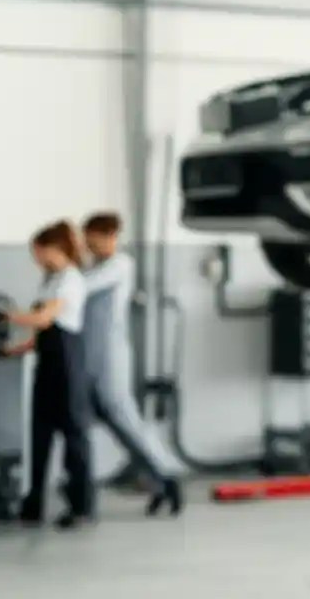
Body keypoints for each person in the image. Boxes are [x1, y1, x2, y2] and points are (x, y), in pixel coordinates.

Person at [82, 212, 184, 516]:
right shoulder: (93, 267)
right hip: (89, 353)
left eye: (93, 240)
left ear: (110, 236)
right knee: (114, 423)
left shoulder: (119, 264)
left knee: (124, 416)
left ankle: (167, 474)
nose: (90, 246)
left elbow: (82, 287)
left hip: (110, 354)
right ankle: (156, 481)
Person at [3, 220, 96, 529]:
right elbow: (42, 332)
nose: (36, 259)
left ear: (53, 249)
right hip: (47, 364)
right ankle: (33, 504)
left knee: (74, 438)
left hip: (68, 366)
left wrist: (5, 315)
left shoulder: (71, 280)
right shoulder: (50, 280)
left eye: (38, 252)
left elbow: (44, 318)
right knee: (39, 436)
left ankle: (81, 507)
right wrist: (18, 348)